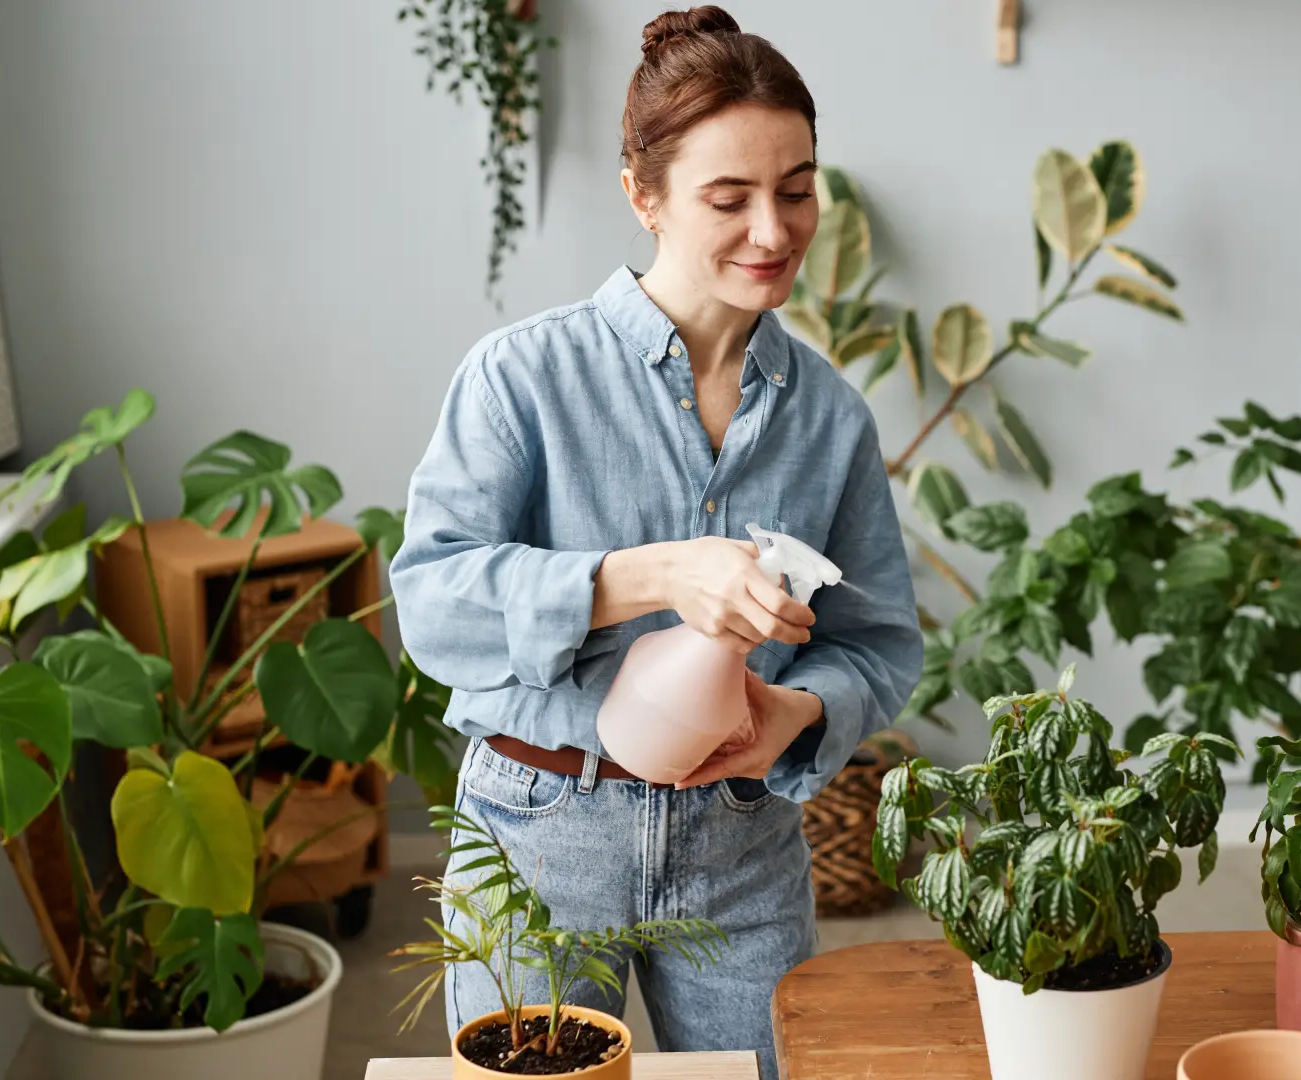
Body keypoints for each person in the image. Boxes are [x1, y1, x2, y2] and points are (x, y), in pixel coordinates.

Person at [388, 7, 923, 1077]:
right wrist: (648, 577)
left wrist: (800, 714)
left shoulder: (830, 418)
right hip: (538, 831)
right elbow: (433, 605)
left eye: (797, 189)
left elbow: (878, 643)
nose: (773, 233)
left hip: (741, 843)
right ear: (644, 197)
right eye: (729, 199)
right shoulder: (522, 378)